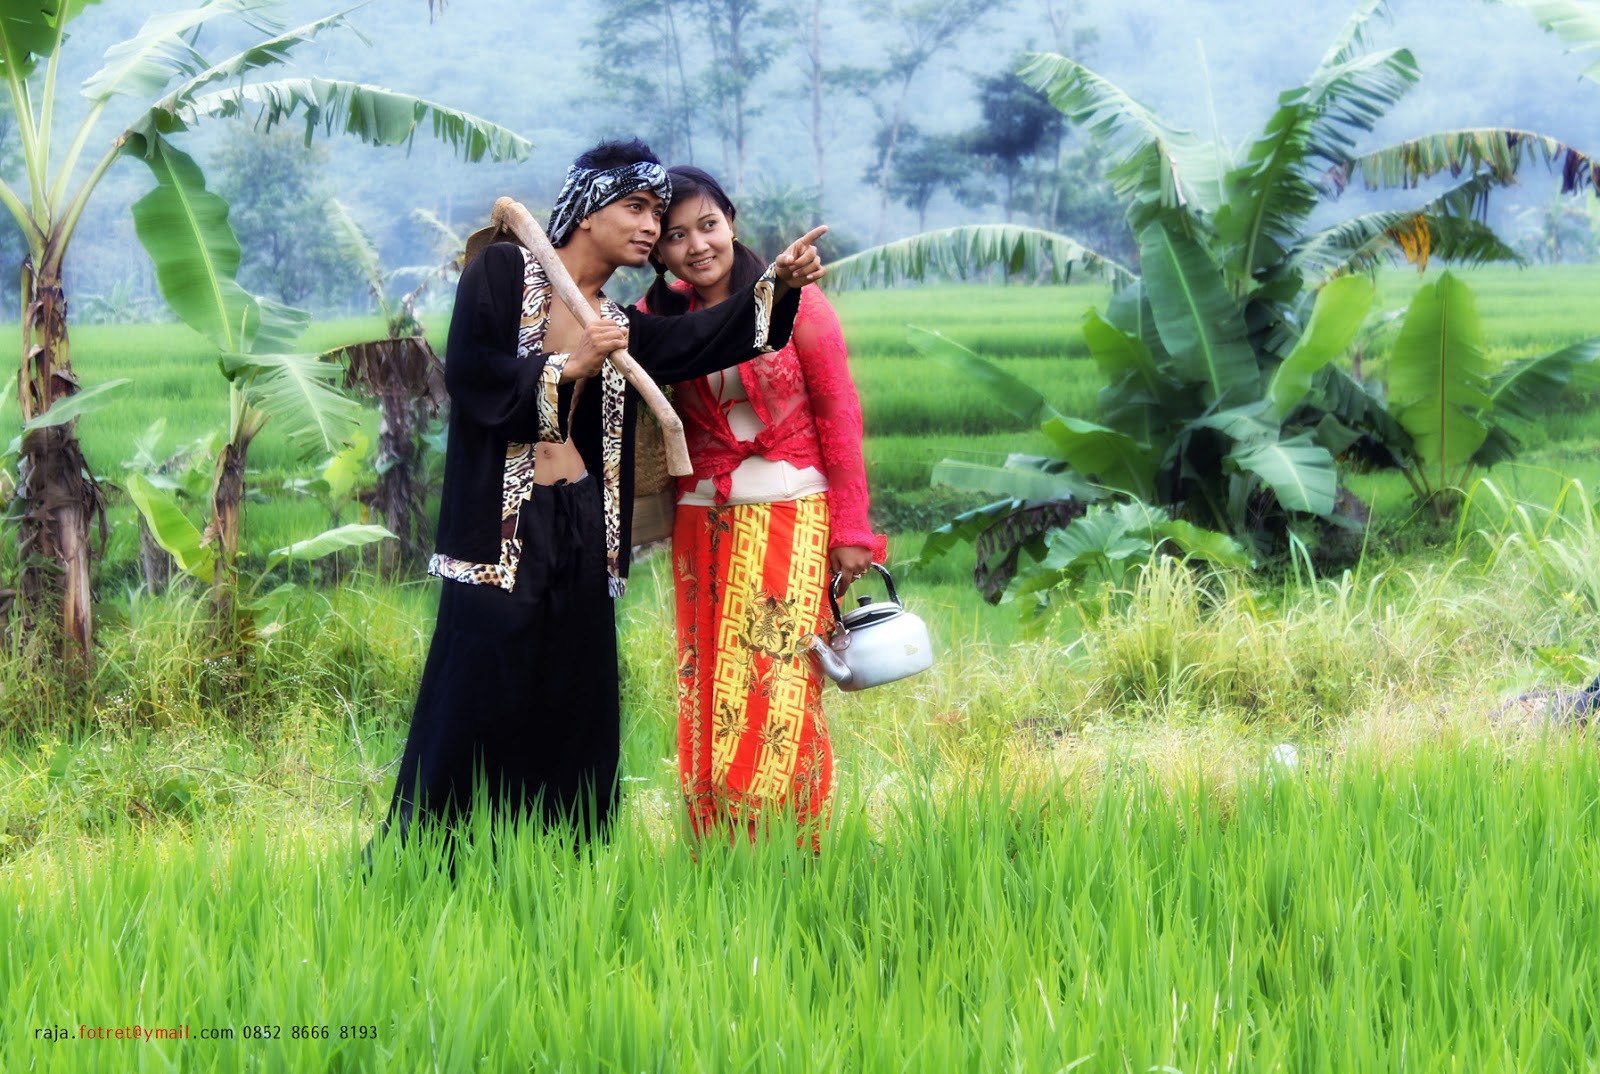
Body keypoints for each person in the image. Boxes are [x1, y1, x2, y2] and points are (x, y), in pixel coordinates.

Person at [380, 140, 827, 848]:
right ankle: (430, 857)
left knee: (576, 697)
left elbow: (700, 340)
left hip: (586, 523)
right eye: (638, 208)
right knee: (478, 691)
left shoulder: (614, 316)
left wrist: (779, 285)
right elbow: (472, 375)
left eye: (659, 212)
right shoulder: (502, 272)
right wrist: (570, 364)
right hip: (501, 531)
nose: (653, 227)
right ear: (589, 211)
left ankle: (561, 861)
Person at [639, 166, 886, 848]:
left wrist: (854, 528)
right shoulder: (656, 321)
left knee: (777, 672)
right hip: (701, 524)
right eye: (676, 234)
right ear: (657, 249)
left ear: (733, 222)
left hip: (791, 514)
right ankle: (713, 845)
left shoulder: (797, 303)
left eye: (708, 226)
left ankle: (786, 847)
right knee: (706, 673)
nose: (696, 246)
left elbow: (839, 412)